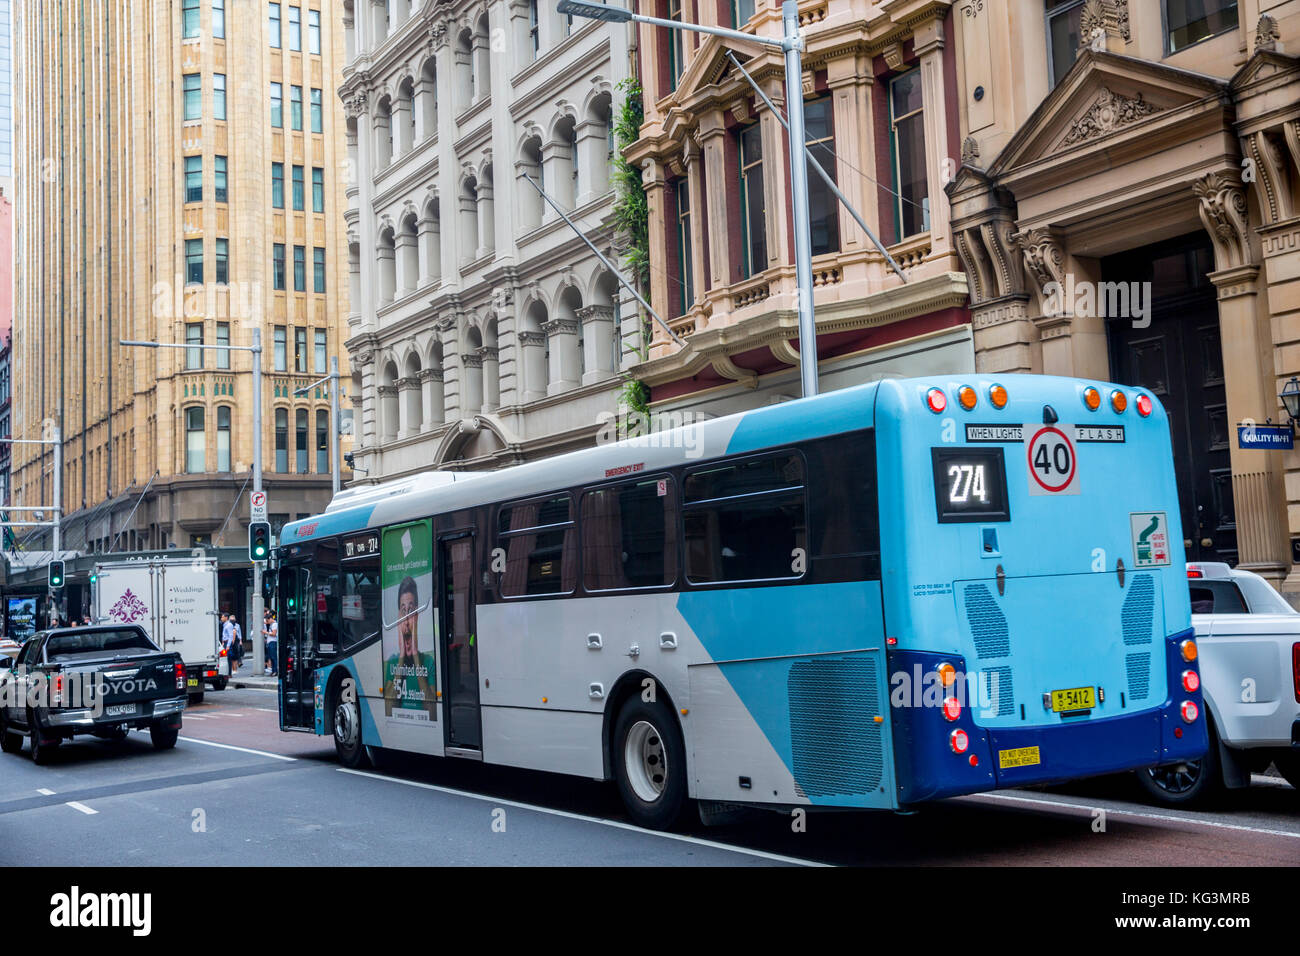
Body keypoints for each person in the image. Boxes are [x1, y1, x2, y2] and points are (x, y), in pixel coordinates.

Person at [383, 576, 436, 719]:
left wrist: (415, 657)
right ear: (398, 618)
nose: (406, 621)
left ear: (416, 616)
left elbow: (432, 713)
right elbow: (388, 710)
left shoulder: (429, 662)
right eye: (403, 610)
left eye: (411, 611)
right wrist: (401, 658)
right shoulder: (393, 662)